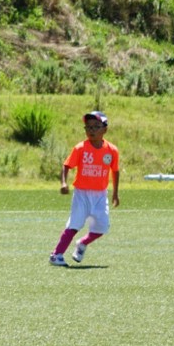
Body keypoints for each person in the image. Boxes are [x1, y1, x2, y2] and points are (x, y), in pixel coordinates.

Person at [49, 110, 120, 266]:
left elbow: (115, 171)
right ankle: (56, 255)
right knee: (74, 224)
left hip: (100, 195)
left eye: (96, 126)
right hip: (82, 194)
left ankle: (82, 243)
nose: (91, 130)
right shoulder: (80, 148)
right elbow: (67, 165)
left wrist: (115, 193)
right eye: (88, 127)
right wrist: (63, 183)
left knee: (102, 227)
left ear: (105, 129)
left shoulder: (112, 150)